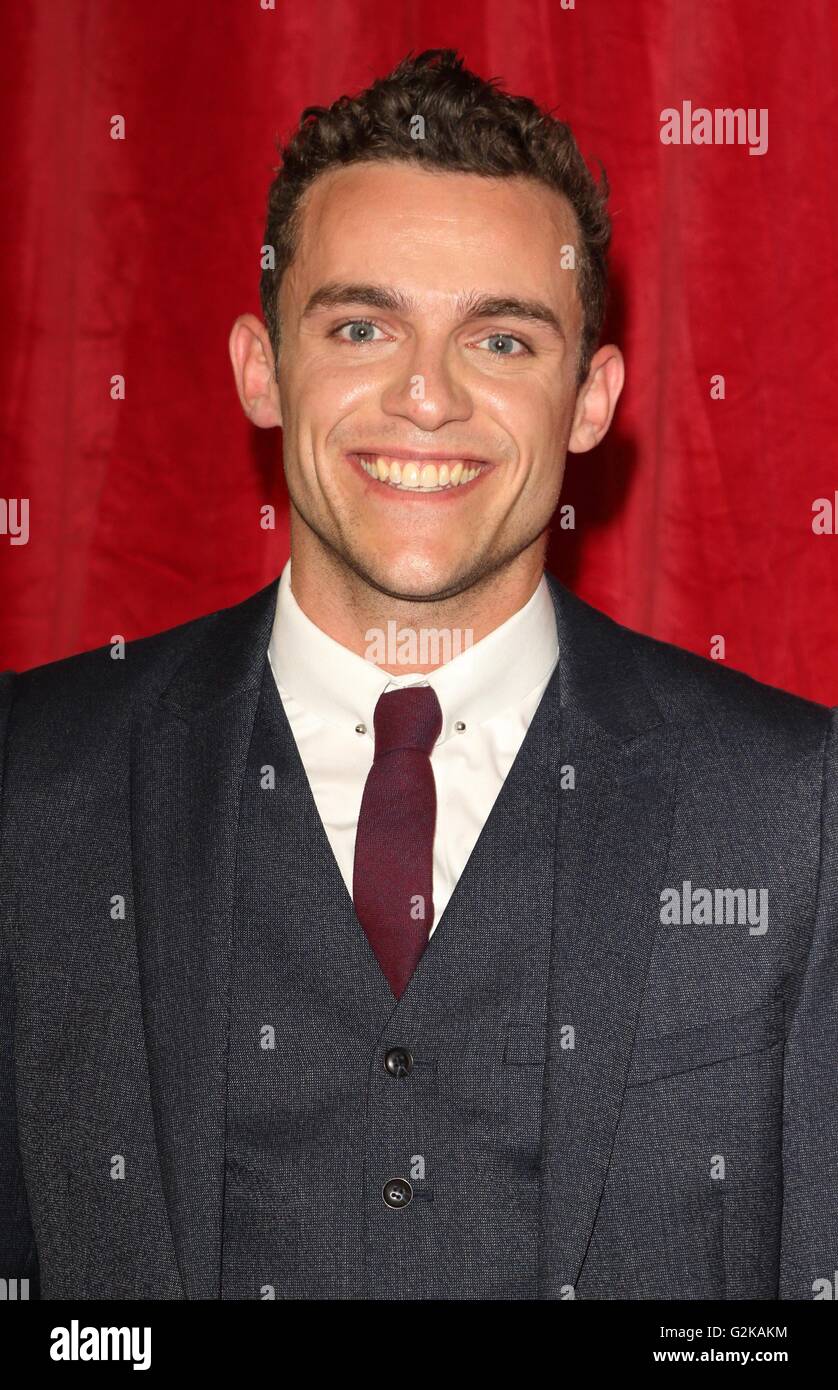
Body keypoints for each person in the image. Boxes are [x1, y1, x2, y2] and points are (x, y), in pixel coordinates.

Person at [1, 48, 836, 1302]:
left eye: (500, 338)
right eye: (360, 326)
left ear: (590, 398)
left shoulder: (795, 804)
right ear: (259, 368)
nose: (426, 396)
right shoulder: (31, 778)